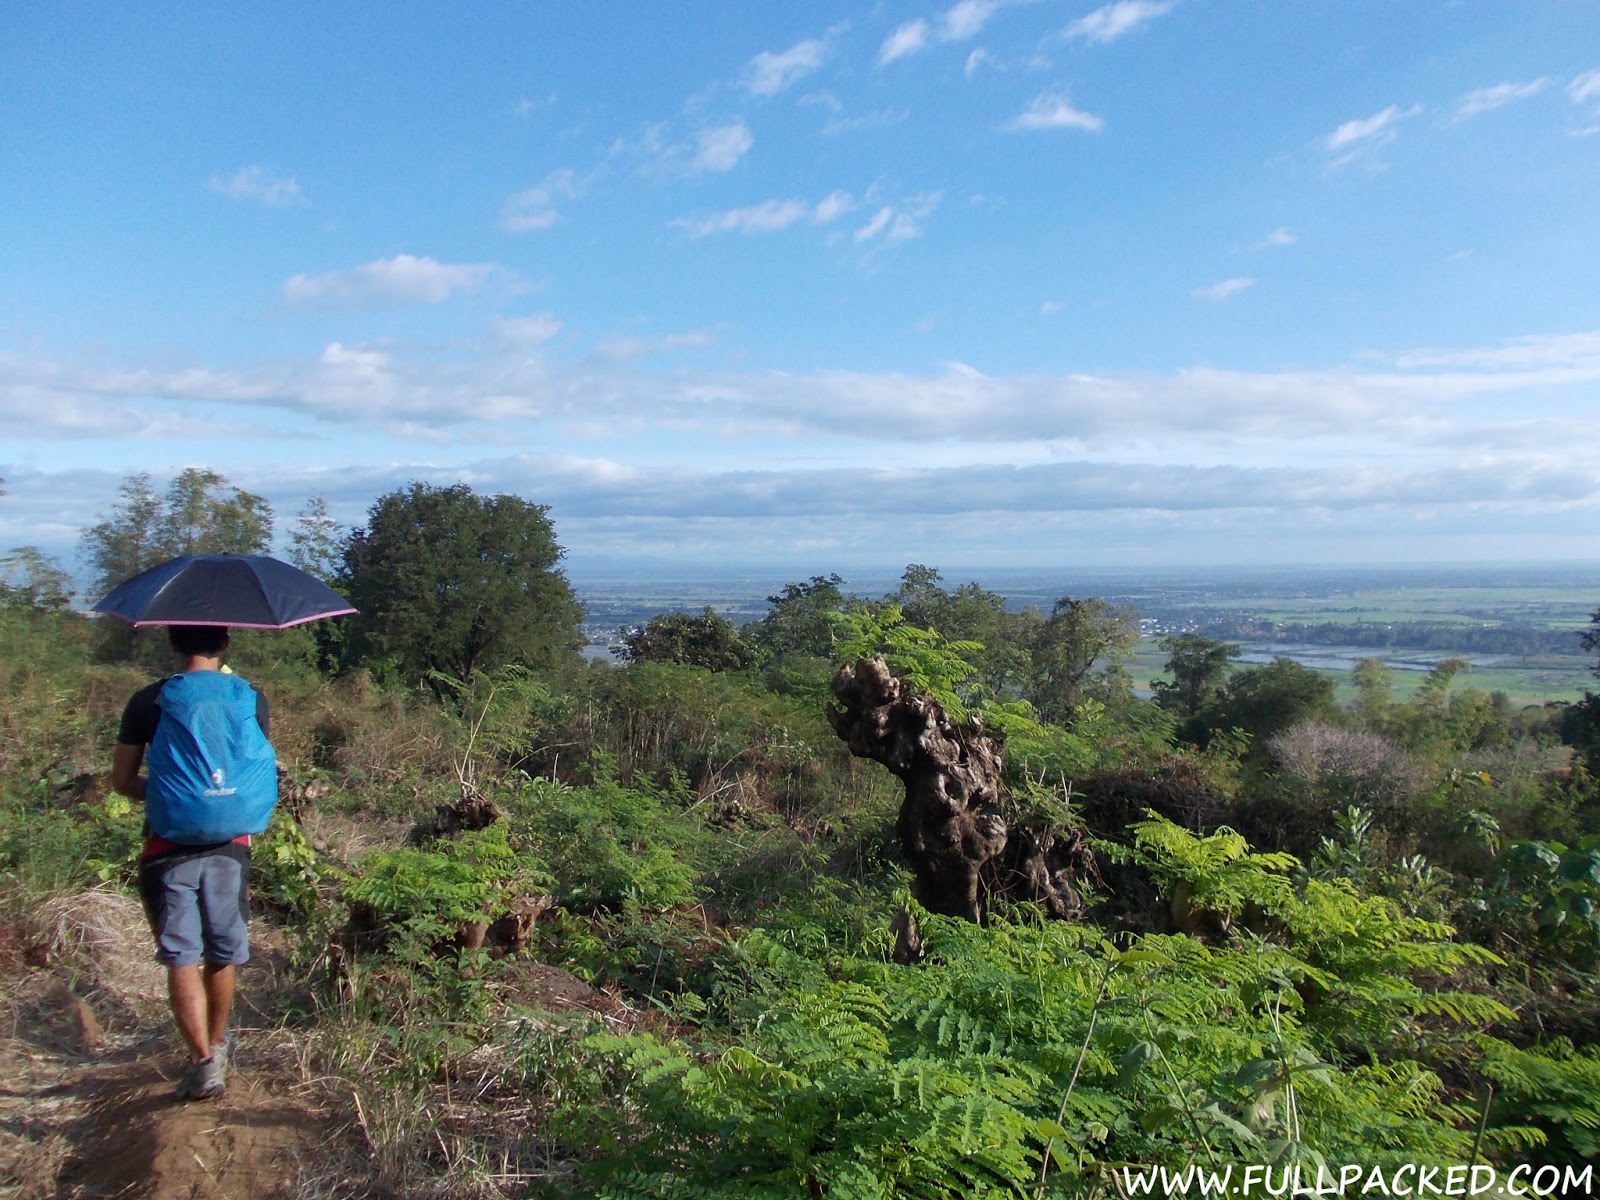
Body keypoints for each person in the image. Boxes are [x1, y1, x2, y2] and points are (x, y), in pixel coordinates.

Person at [111, 624, 275, 1102]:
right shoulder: (250, 697)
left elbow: (122, 780)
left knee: (181, 951)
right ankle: (220, 1044)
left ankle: (202, 1061)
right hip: (231, 843)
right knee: (223, 947)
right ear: (224, 643)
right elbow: (249, 770)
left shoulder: (148, 701)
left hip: (167, 847)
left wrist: (171, 793)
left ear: (173, 643)